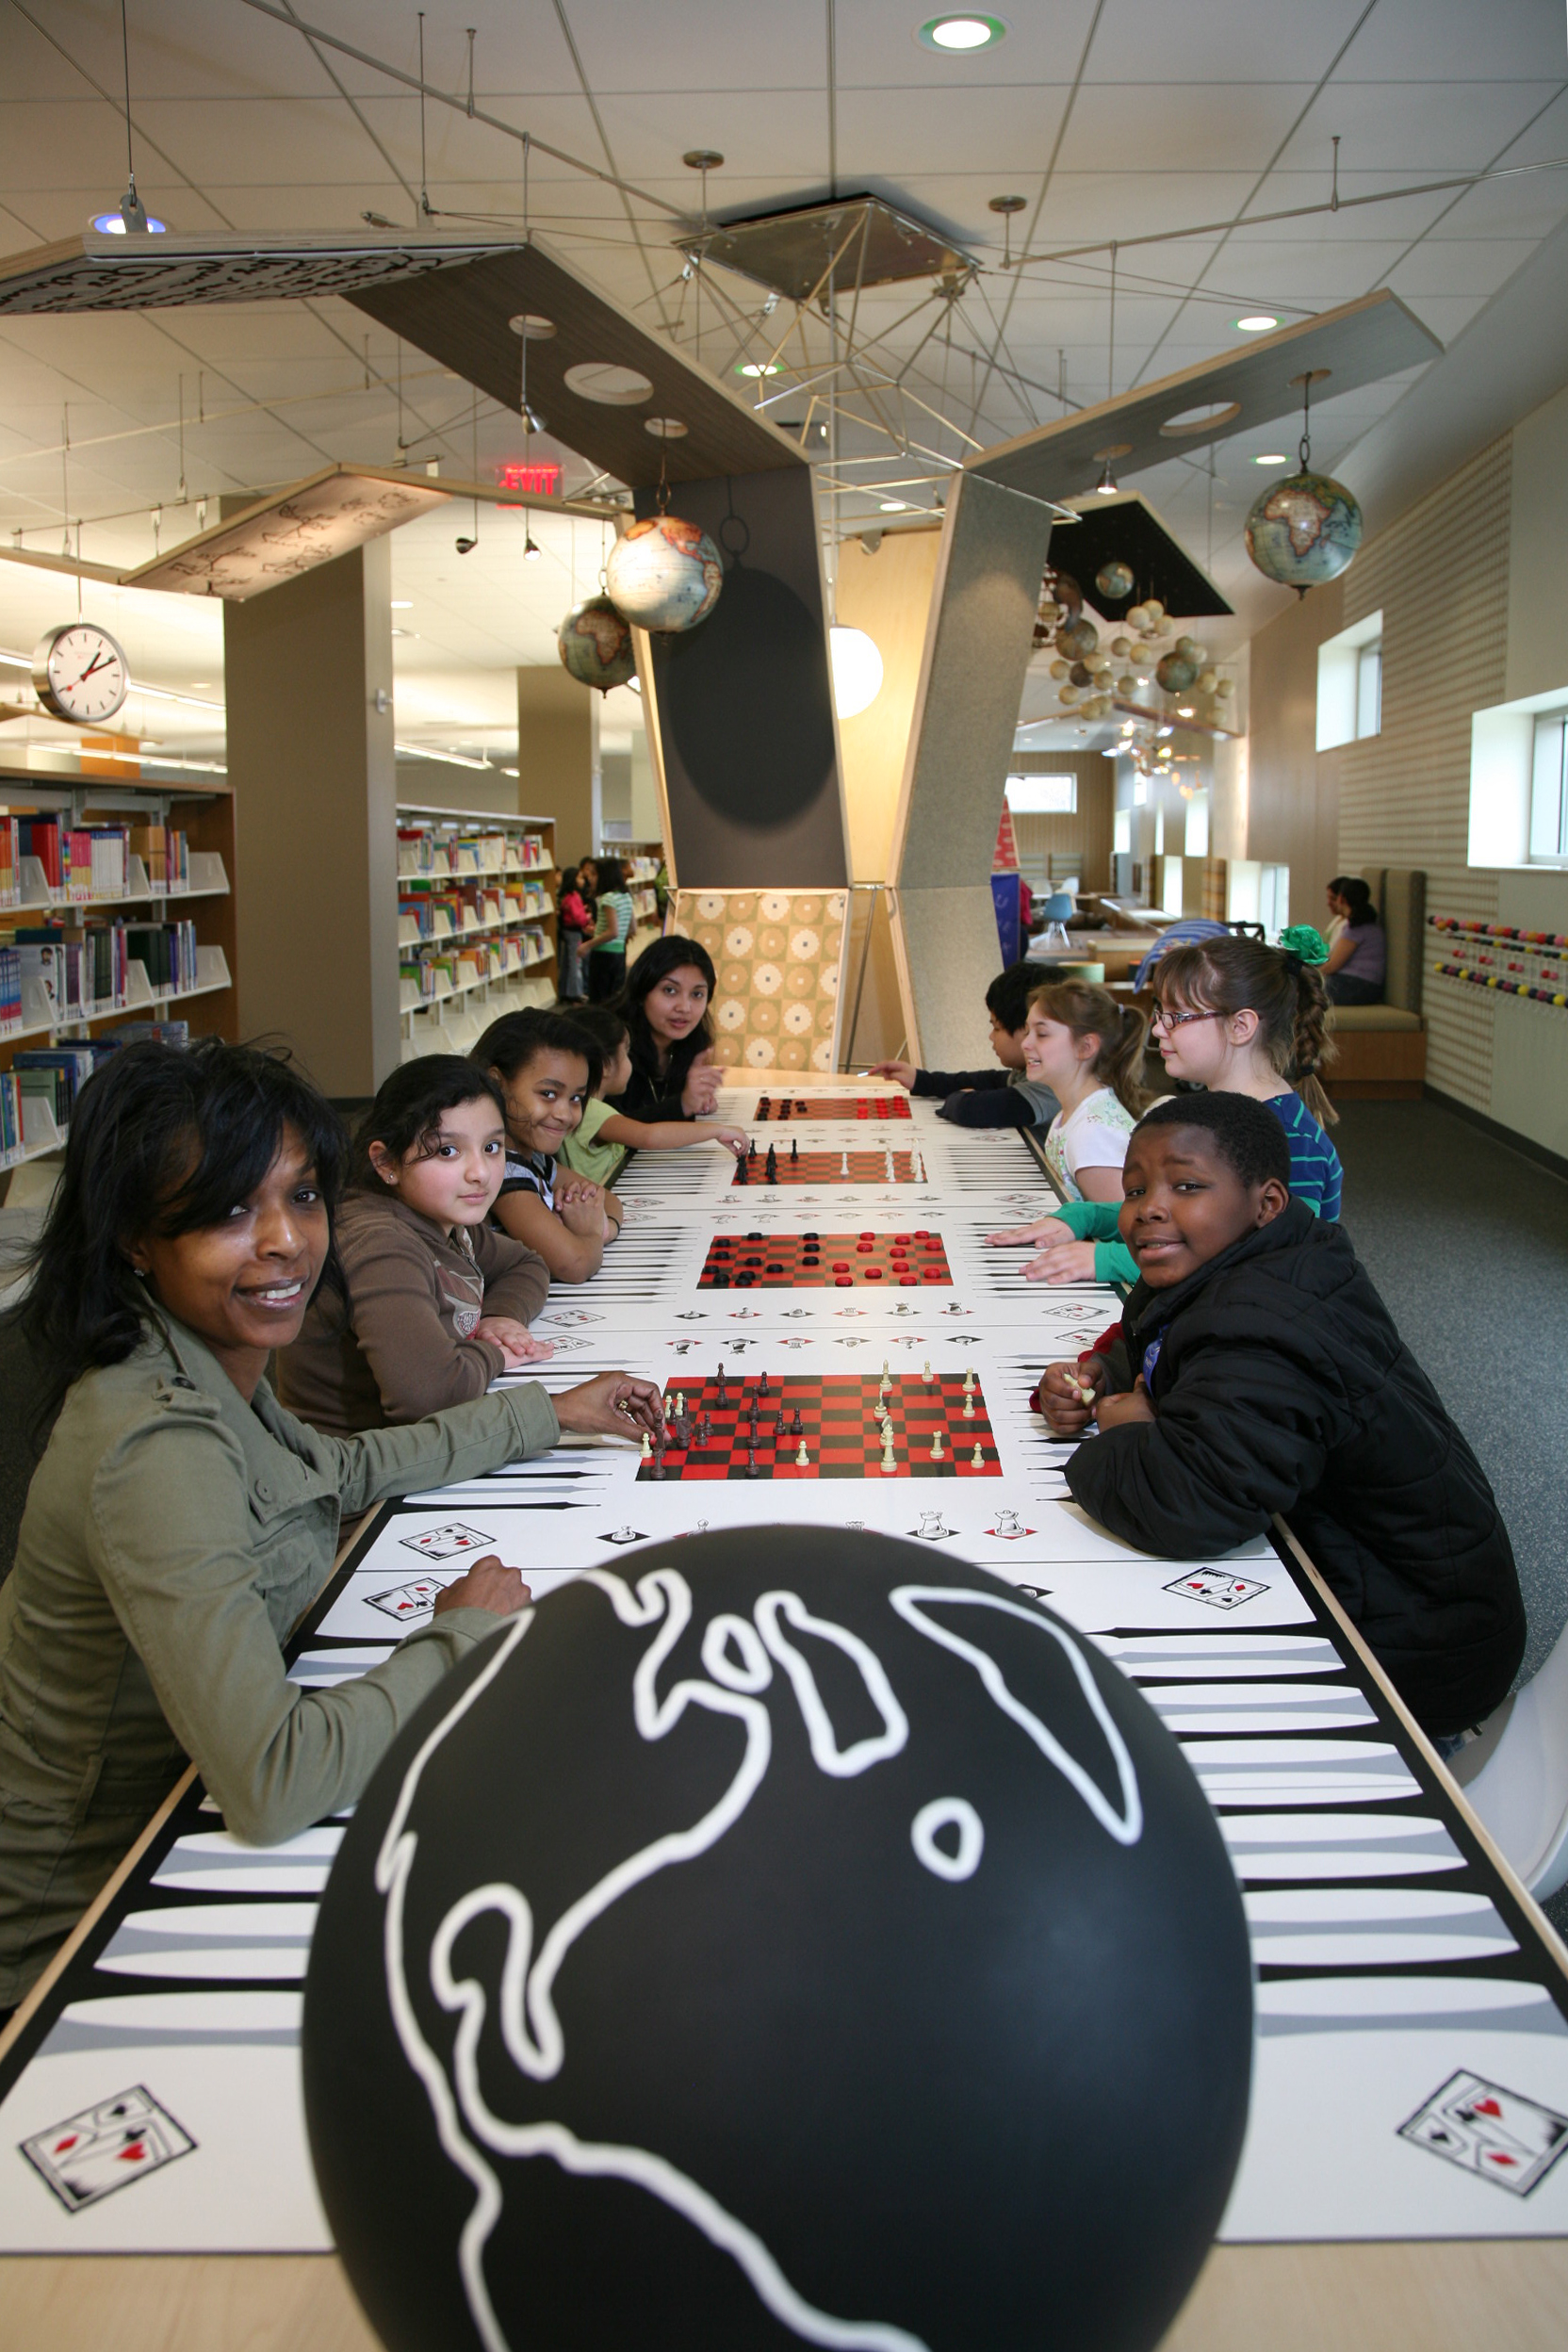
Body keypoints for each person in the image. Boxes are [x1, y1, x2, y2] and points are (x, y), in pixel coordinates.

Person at [0, 1039, 663, 2008]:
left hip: (175, 1831)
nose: (284, 1242)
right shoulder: (156, 1443)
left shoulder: (200, 1351)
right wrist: (457, 1641)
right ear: (135, 1237)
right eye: (228, 1211)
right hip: (81, 1928)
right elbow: (271, 1778)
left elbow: (338, 1467)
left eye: (301, 1197)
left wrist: (547, 1413)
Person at [1037, 1092, 1526, 1741]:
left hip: (1407, 1658)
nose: (1149, 1207)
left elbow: (1184, 1504)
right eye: (1135, 1190)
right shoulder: (1269, 1261)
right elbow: (1172, 1337)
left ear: (1265, 1203)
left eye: (1186, 1185)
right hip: (1399, 1599)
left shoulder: (1264, 1330)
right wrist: (1105, 1373)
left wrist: (1123, 1431)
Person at [990, 928, 1342, 1283]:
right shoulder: (1213, 1115)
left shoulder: (1290, 1141)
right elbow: (1180, 1216)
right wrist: (1085, 1216)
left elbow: (1262, 1261)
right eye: (1161, 1013)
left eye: (1177, 1016)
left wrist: (1107, 1258)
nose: (1158, 1029)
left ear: (1240, 1026)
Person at [277, 1057, 556, 1438]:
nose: (480, 1172)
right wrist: (491, 1354)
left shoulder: (447, 1218)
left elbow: (526, 1264)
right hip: (355, 1471)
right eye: (447, 1152)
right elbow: (429, 1398)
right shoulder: (381, 1243)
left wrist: (499, 1318)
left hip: (410, 1449)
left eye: (492, 1146)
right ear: (386, 1162)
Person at [475, 1008, 616, 1280]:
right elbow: (573, 1265)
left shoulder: (531, 1157)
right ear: (497, 1084)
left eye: (576, 1098)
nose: (565, 1114)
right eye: (548, 1094)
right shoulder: (500, 1169)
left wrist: (597, 1230)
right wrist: (588, 1233)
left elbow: (607, 1200)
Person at [558, 1003, 748, 1190]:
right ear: (606, 1066)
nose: (630, 1061)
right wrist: (717, 1131)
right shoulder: (591, 1111)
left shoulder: (579, 1106)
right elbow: (649, 1136)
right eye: (626, 1053)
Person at [866, 962, 1059, 1129]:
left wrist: (961, 1098)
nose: (991, 1037)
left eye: (997, 1028)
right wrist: (921, 1080)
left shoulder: (1048, 1086)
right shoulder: (1027, 1073)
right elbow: (988, 1080)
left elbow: (971, 1110)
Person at [1019, 978, 1150, 1201]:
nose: (1025, 1044)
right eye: (1026, 1032)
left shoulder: (1093, 1133)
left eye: (1042, 1034)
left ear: (1085, 1047)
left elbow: (1122, 1226)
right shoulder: (1070, 1114)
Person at [611, 935, 724, 1121]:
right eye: (670, 990)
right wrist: (682, 1105)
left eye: (697, 994)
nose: (684, 1007)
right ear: (641, 992)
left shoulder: (692, 1045)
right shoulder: (610, 1044)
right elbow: (605, 1133)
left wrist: (697, 1103)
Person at [1323, 875, 1386, 1005]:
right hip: (1364, 985)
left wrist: (1307, 976)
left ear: (1341, 899)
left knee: (1303, 990)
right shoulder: (1369, 926)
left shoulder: (1356, 929)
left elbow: (1332, 966)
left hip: (1356, 986)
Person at [585, 854, 636, 1002]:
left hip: (602, 955)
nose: (591, 878)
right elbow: (632, 928)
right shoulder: (626, 897)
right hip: (619, 954)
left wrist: (587, 945)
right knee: (614, 996)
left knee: (598, 997)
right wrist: (598, 931)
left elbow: (613, 932)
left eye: (594, 874)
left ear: (604, 876)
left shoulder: (607, 898)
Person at [557, 861, 593, 1003]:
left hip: (567, 932)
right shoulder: (574, 897)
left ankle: (566, 990)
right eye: (579, 878)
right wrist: (587, 917)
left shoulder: (566, 897)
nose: (582, 881)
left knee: (568, 961)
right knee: (576, 963)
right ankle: (576, 992)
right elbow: (579, 917)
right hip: (574, 933)